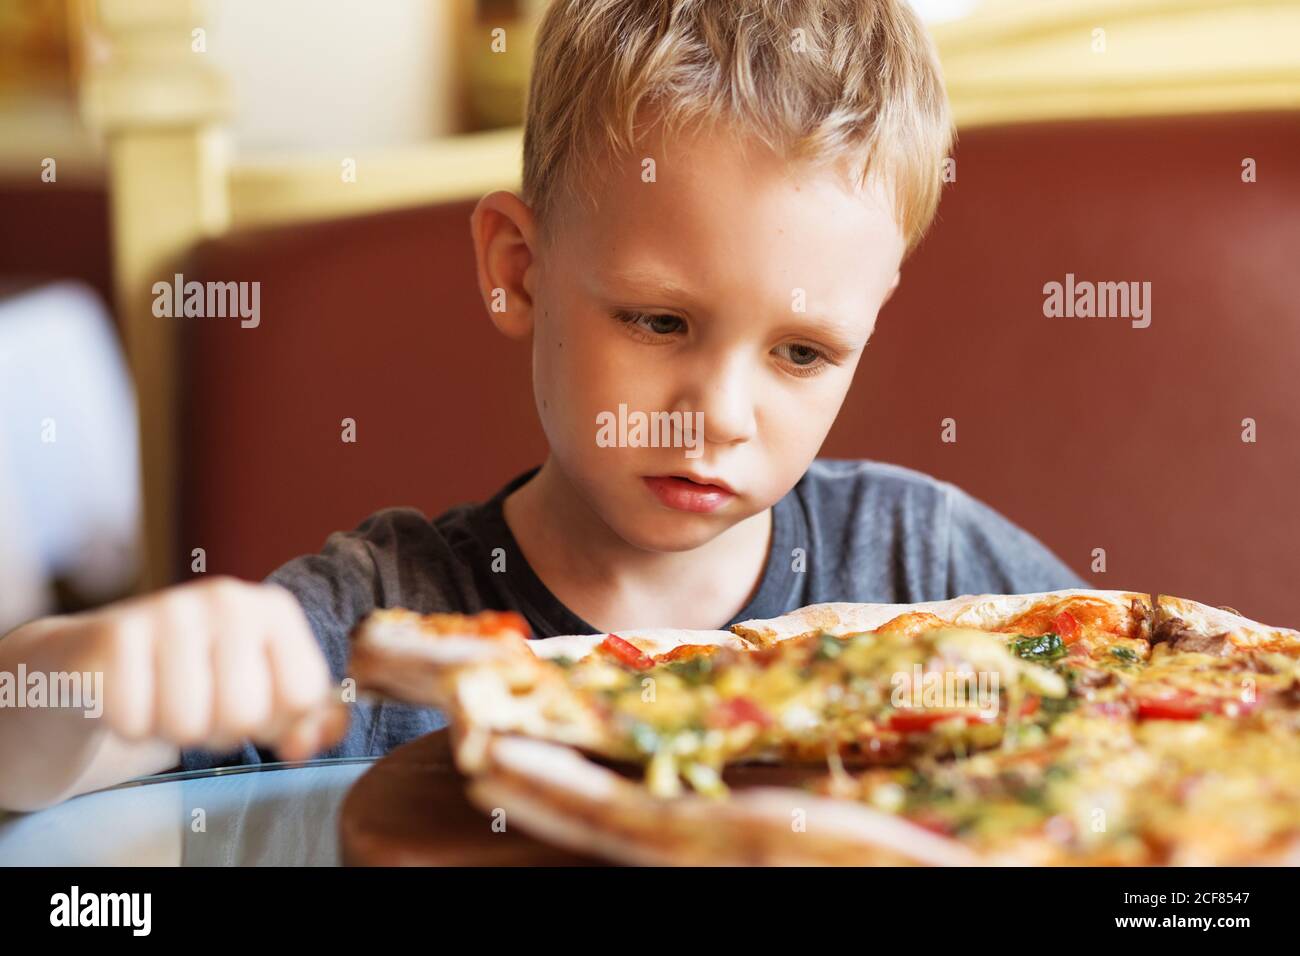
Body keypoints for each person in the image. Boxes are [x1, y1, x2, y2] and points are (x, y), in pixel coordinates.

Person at [0, 0, 1085, 812]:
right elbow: (26, 761)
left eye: (802, 351)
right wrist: (90, 674)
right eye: (659, 323)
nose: (717, 413)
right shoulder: (383, 621)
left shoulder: (930, 570)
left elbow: (1173, 751)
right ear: (518, 269)